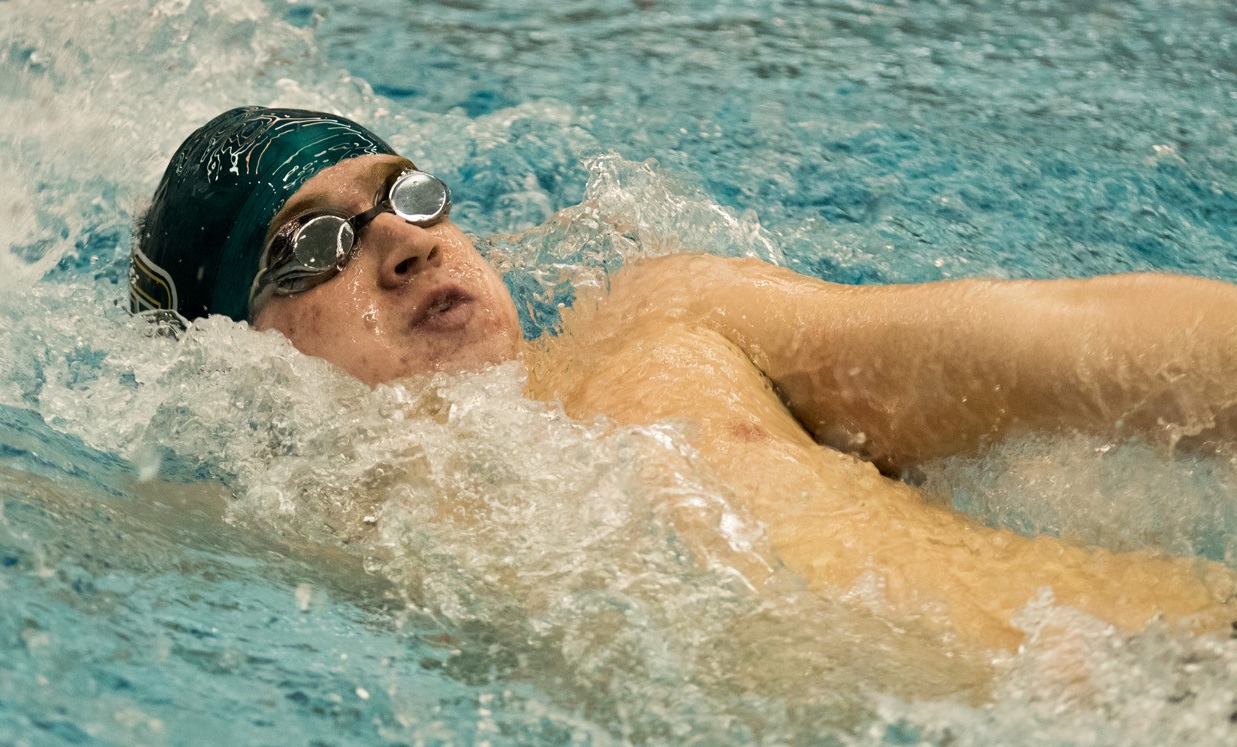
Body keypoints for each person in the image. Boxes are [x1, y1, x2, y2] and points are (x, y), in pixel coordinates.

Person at [132, 106, 1237, 650]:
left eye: (411, 193)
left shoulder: (668, 328)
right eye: (311, 248)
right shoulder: (276, 531)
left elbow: (1059, 343)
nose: (407, 245)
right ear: (236, 352)